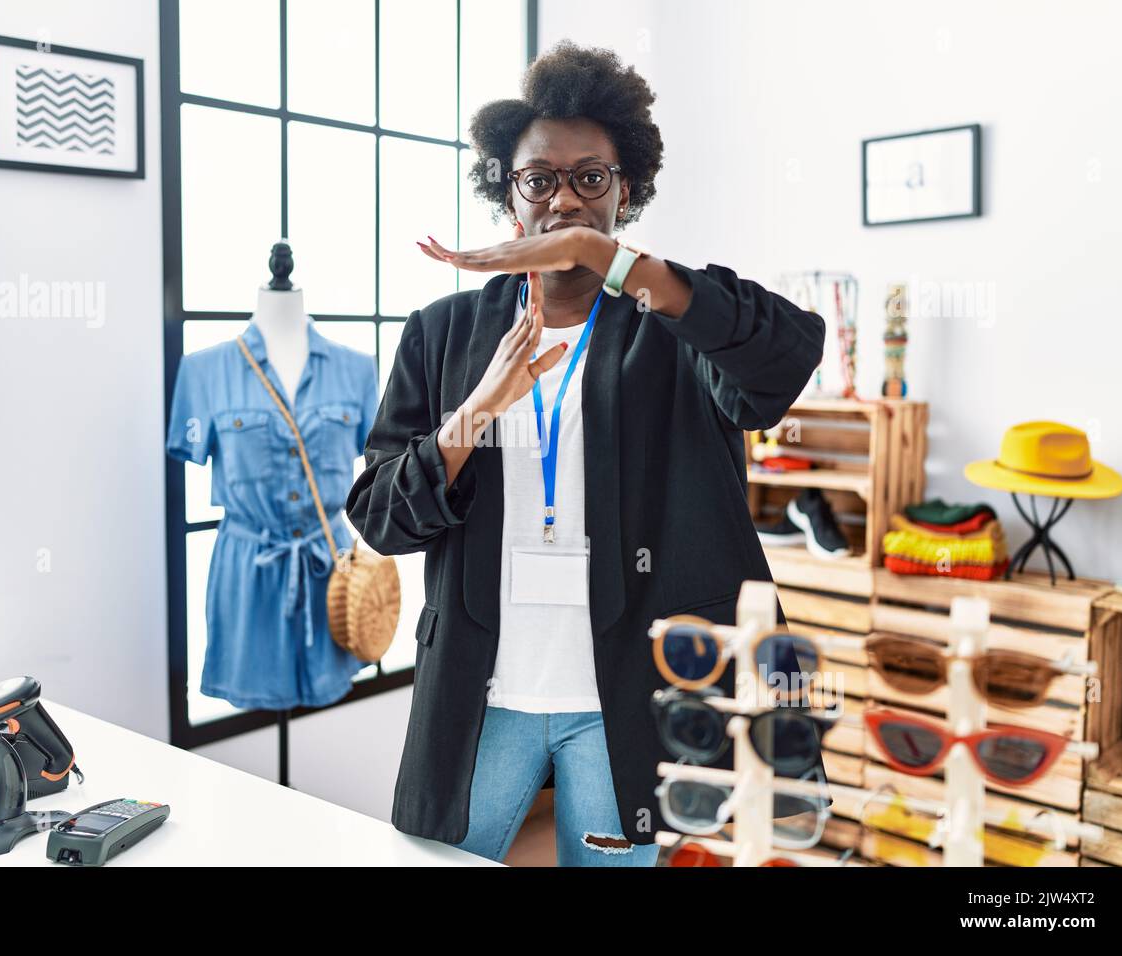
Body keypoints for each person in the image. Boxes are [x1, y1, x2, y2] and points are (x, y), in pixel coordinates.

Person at [346, 41, 825, 866]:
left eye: (590, 178)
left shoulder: (675, 324)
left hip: (632, 699)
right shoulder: (445, 332)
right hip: (481, 690)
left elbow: (786, 355)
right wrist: (477, 409)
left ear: (625, 191)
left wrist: (623, 268)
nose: (565, 198)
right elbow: (381, 518)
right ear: (510, 196)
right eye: (541, 179)